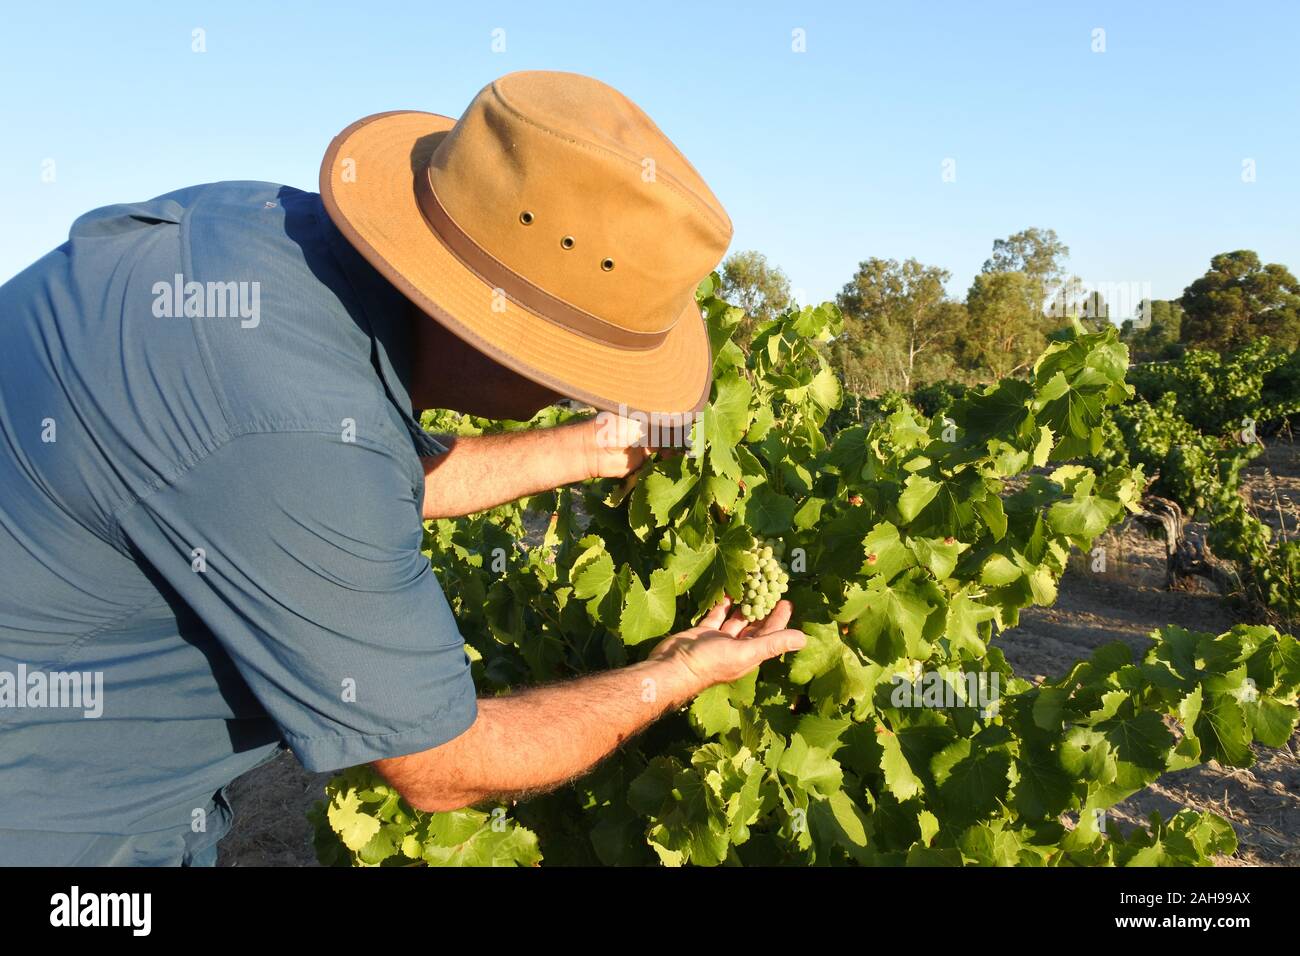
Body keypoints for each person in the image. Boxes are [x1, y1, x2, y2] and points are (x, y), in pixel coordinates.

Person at [0, 70, 806, 866]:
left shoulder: (266, 238)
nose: (575, 387)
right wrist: (673, 675)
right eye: (581, 364)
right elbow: (442, 767)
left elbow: (325, 480)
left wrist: (586, 446)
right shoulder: (296, 429)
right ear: (502, 334)